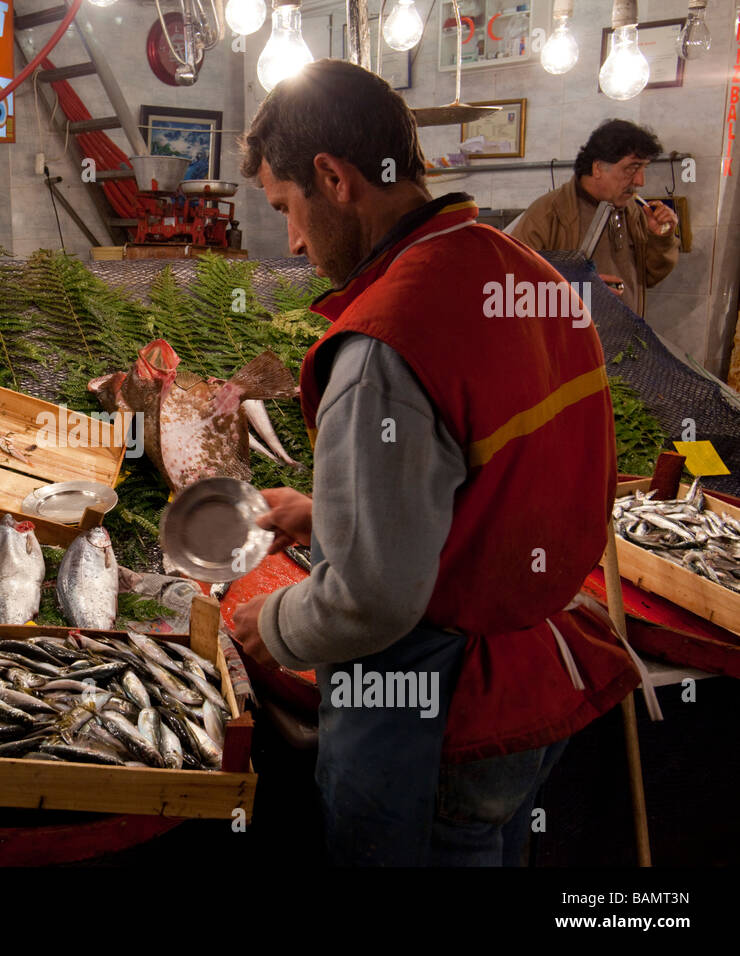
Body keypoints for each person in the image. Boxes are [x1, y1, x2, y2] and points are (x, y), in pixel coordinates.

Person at [233, 60, 645, 866]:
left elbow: (371, 603)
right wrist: (333, 517)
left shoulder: (386, 343)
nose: (293, 241)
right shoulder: (531, 279)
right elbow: (503, 486)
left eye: (288, 209)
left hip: (433, 712)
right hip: (534, 685)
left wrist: (271, 624)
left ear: (333, 178)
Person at [511, 119, 679, 317]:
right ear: (598, 168)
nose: (640, 181)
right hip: (573, 342)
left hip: (624, 341)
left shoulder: (632, 211)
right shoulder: (550, 213)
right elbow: (512, 285)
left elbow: (649, 277)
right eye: (631, 168)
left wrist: (661, 238)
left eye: (643, 169)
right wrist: (576, 292)